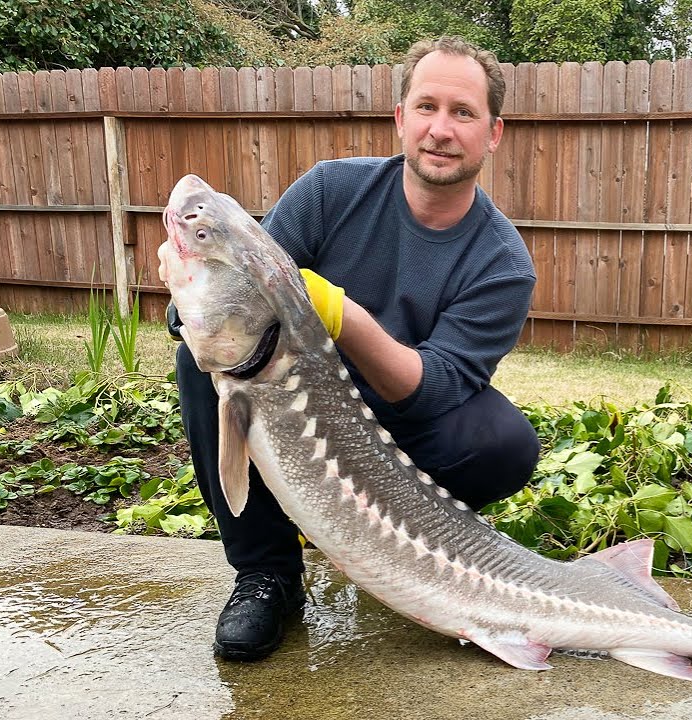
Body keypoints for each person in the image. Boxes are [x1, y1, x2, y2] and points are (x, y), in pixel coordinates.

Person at [163, 36, 542, 662]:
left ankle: (408, 546)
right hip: (295, 399)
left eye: (463, 112)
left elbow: (432, 390)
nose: (440, 130)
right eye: (426, 107)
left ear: (494, 133)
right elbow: (232, 295)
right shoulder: (330, 191)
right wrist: (189, 300)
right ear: (400, 118)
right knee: (207, 361)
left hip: (403, 420)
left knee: (504, 440)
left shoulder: (502, 263)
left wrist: (339, 313)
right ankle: (267, 576)